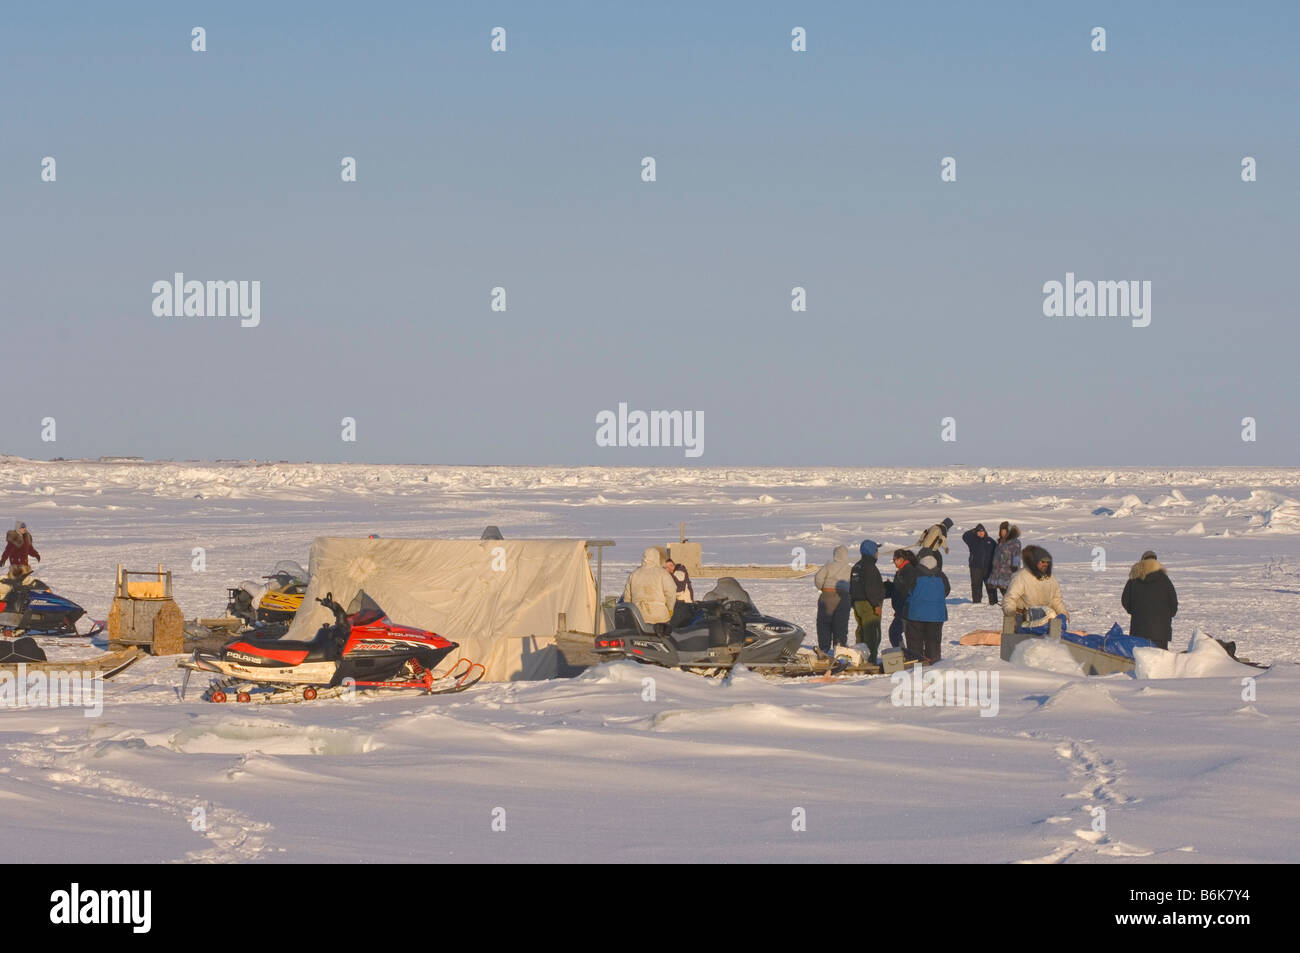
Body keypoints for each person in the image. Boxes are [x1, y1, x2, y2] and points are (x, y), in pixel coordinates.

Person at [895, 547, 950, 663]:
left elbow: (905, 591)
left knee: (915, 644)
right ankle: (934, 665)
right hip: (937, 615)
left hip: (915, 614)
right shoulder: (941, 575)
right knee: (933, 643)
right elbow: (947, 590)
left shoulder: (914, 573)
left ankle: (917, 667)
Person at [1121, 550, 1179, 650]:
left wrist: (1136, 612)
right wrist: (1167, 615)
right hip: (1161, 632)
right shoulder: (1164, 580)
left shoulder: (1134, 579)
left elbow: (1125, 600)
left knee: (1140, 660)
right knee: (1160, 660)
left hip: (1138, 629)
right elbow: (1173, 602)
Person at [1003, 544, 1068, 629]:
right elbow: (1009, 599)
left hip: (1044, 618)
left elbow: (1056, 600)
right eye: (1042, 562)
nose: (1045, 564)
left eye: (1047, 562)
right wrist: (1012, 615)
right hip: (1024, 619)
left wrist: (1063, 614)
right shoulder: (1021, 577)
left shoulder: (1051, 579)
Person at [849, 539, 886, 663]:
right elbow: (871, 587)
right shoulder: (870, 567)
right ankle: (870, 661)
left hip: (857, 604)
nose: (877, 553)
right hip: (868, 604)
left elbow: (853, 586)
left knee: (861, 632)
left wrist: (853, 602)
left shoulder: (857, 566)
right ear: (871, 551)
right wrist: (876, 604)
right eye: (876, 550)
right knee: (872, 634)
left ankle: (859, 658)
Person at [621, 547, 678, 628]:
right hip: (660, 617)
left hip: (639, 616)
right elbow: (671, 593)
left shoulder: (634, 575)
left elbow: (627, 598)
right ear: (657, 558)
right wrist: (670, 608)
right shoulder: (663, 574)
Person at [812, 545, 853, 653]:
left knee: (824, 623)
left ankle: (824, 649)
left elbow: (818, 578)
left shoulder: (828, 566)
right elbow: (853, 583)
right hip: (843, 597)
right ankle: (839, 650)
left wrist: (822, 587)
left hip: (827, 595)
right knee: (841, 624)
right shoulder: (849, 569)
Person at [882, 549, 917, 649]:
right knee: (897, 633)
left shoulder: (907, 571)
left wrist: (892, 587)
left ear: (901, 559)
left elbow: (903, 590)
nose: (894, 562)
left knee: (895, 633)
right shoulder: (903, 571)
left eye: (894, 560)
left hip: (906, 609)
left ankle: (904, 656)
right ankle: (904, 655)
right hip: (902, 609)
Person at [961, 523, 999, 604]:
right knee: (976, 586)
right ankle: (976, 602)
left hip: (988, 567)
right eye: (979, 531)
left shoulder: (990, 541)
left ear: (985, 532)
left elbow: (997, 552)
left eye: (982, 531)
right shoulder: (972, 540)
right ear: (976, 532)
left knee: (991, 585)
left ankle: (994, 602)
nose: (981, 533)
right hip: (975, 567)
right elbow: (965, 535)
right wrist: (973, 530)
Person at [987, 523, 1021, 603]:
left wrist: (1015, 565)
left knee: (1008, 588)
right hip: (998, 569)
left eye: (1004, 531)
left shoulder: (1015, 542)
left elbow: (1017, 554)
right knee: (999, 587)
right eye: (1001, 531)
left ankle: (1013, 604)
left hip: (1008, 569)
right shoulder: (1000, 542)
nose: (1003, 533)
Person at [664, 558, 696, 627]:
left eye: (671, 566)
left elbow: (679, 589)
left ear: (674, 565)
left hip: (684, 605)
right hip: (682, 605)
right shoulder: (675, 573)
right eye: (667, 567)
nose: (669, 568)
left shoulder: (679, 572)